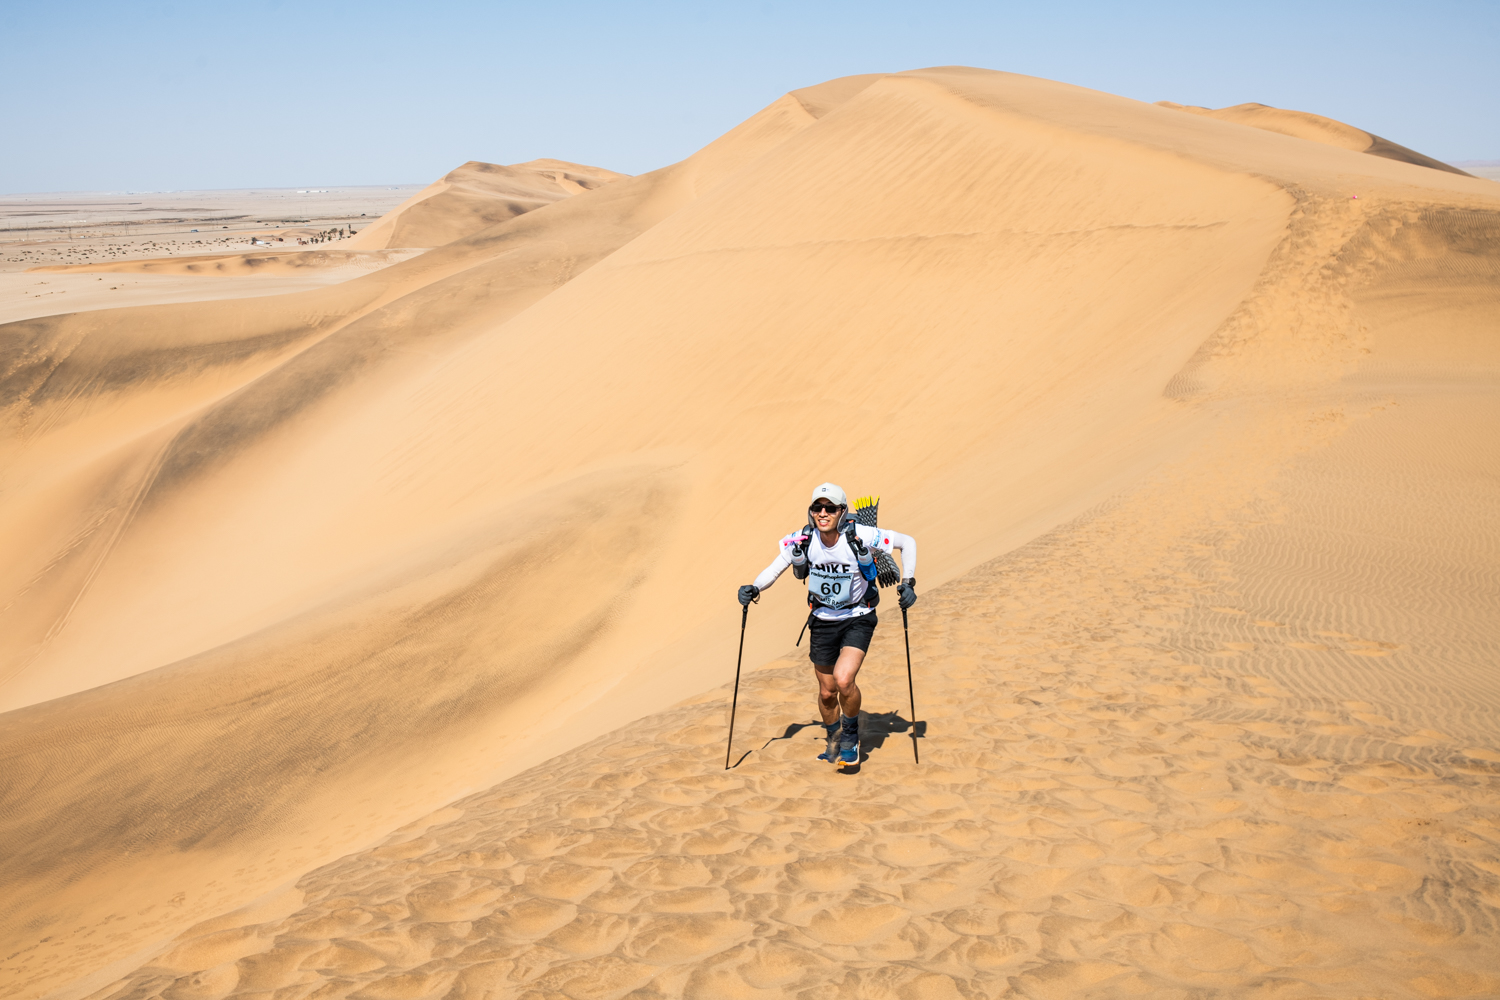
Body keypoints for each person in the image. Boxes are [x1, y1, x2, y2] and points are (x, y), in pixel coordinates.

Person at [738, 483, 917, 764]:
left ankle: (850, 736)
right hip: (822, 620)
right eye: (817, 508)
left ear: (842, 512)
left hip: (858, 617)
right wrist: (755, 587)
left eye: (830, 508)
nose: (823, 513)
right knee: (826, 692)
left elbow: (907, 542)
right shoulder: (803, 539)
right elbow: (776, 567)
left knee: (844, 680)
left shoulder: (860, 535)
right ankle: (833, 736)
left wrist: (908, 583)